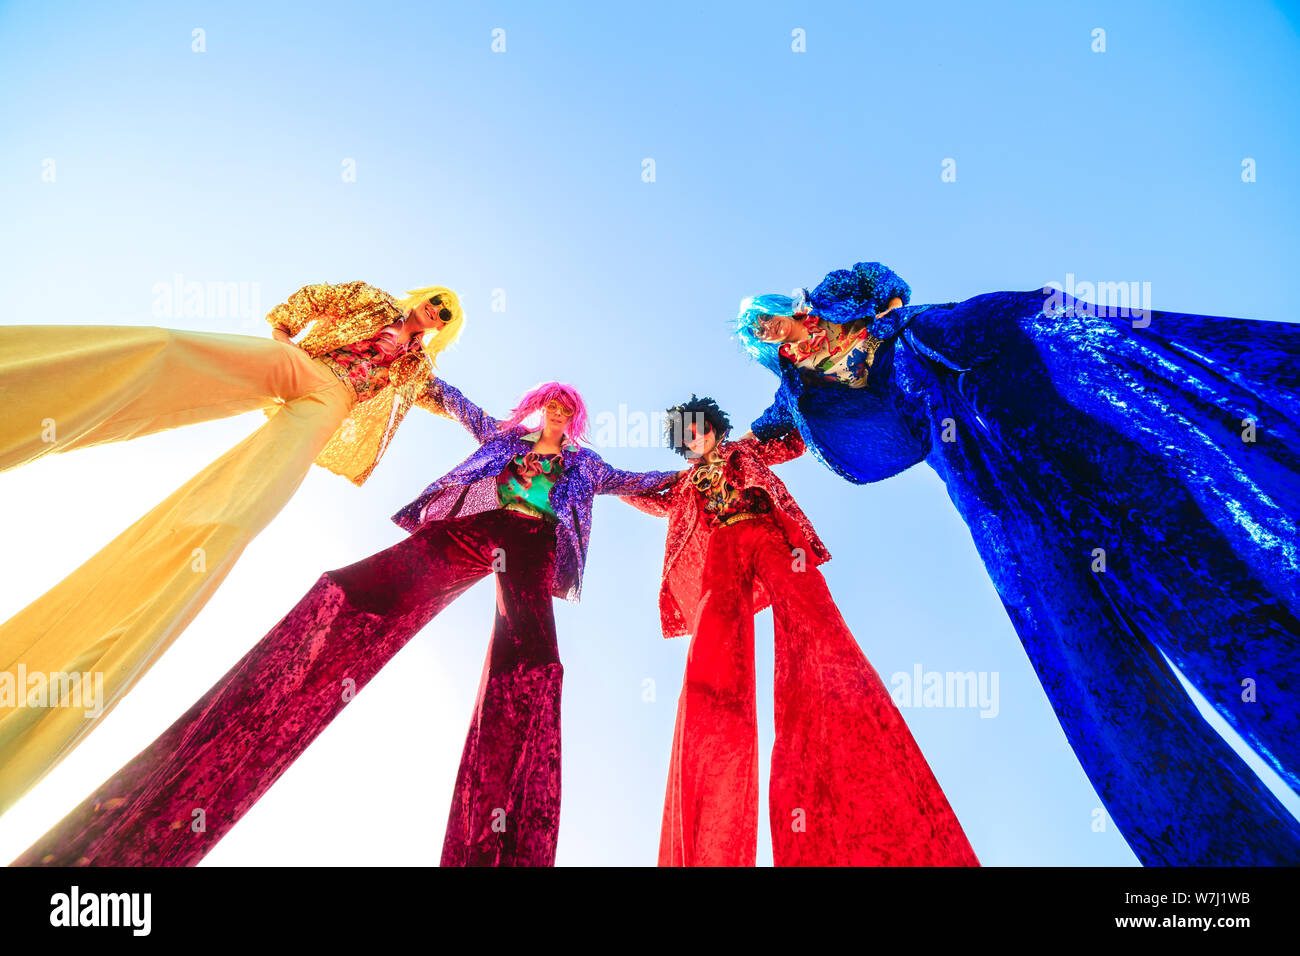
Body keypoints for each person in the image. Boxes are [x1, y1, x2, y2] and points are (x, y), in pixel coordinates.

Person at [735, 261, 1300, 865]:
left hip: (1004, 371)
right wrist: (695, 471)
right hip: (970, 459)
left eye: (768, 318)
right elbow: (757, 443)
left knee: (1167, 528)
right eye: (758, 334)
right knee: (1065, 622)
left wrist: (876, 315)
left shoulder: (834, 296)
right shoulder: (794, 390)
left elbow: (881, 280)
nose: (770, 332)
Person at [13, 379, 681, 867]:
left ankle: (507, 815)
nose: (558, 414)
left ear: (578, 418)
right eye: (551, 403)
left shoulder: (585, 465)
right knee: (361, 587)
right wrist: (427, 381)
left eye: (568, 409)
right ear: (539, 406)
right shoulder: (509, 438)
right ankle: (326, 634)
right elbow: (465, 409)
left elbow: (633, 480)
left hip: (533, 544)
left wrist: (694, 479)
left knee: (531, 658)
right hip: (483, 526)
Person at [0, 281, 463, 818]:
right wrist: (285, 334)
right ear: (423, 296)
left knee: (246, 507)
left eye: (446, 317)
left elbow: (451, 402)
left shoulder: (416, 370)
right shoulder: (373, 299)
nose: (436, 313)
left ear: (442, 330)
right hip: (301, 363)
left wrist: (503, 426)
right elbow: (315, 298)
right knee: (169, 350)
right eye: (438, 301)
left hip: (329, 401)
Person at [622, 395, 979, 866]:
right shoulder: (681, 483)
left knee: (816, 623)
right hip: (722, 552)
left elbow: (795, 436)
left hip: (769, 535)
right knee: (711, 657)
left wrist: (802, 388)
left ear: (714, 427)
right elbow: (630, 487)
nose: (696, 436)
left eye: (701, 427)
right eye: (686, 434)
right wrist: (583, 471)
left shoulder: (745, 451)